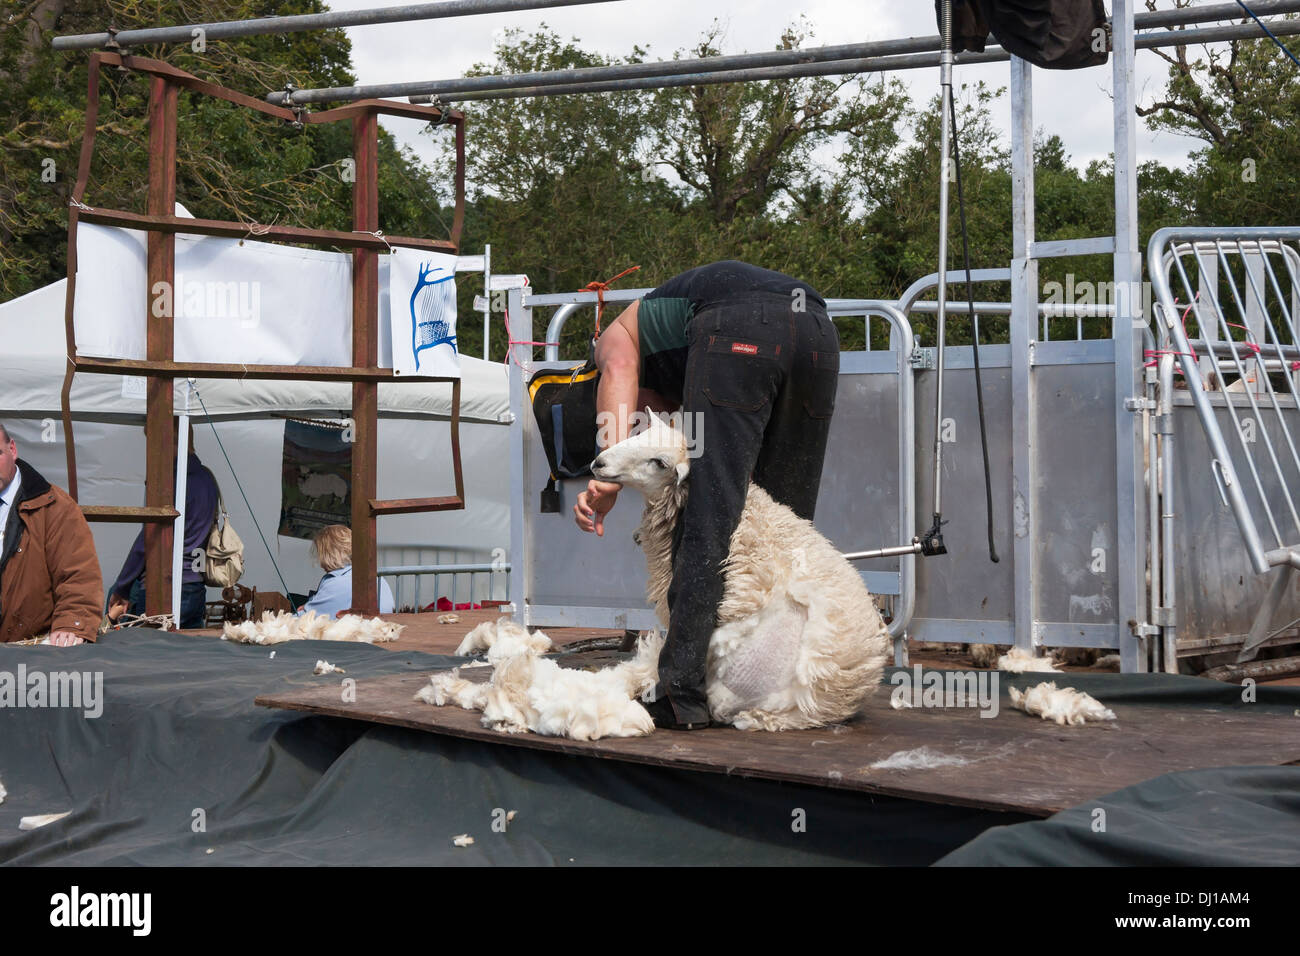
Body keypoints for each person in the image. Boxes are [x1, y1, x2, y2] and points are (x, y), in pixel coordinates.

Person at [574, 260, 839, 729]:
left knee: (708, 517)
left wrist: (610, 475)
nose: (647, 423)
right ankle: (782, 685)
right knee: (784, 527)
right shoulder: (677, 332)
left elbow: (617, 364)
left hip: (737, 330)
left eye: (636, 415)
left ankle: (680, 696)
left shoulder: (619, 332)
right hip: (818, 330)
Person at [0, 421, 104, 645]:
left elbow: (78, 574)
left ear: (13, 450)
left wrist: (71, 624)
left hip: (30, 654)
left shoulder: (55, 508)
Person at [106, 426, 219, 630]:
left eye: (153, 443)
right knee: (188, 657)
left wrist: (122, 585)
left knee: (142, 654)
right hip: (195, 586)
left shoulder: (171, 484)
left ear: (168, 441)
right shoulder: (207, 478)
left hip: (166, 588)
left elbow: (148, 540)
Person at [297, 524, 395, 618]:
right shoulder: (378, 578)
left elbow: (301, 621)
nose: (320, 562)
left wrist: (304, 610)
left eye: (321, 553)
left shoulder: (337, 583)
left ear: (329, 554)